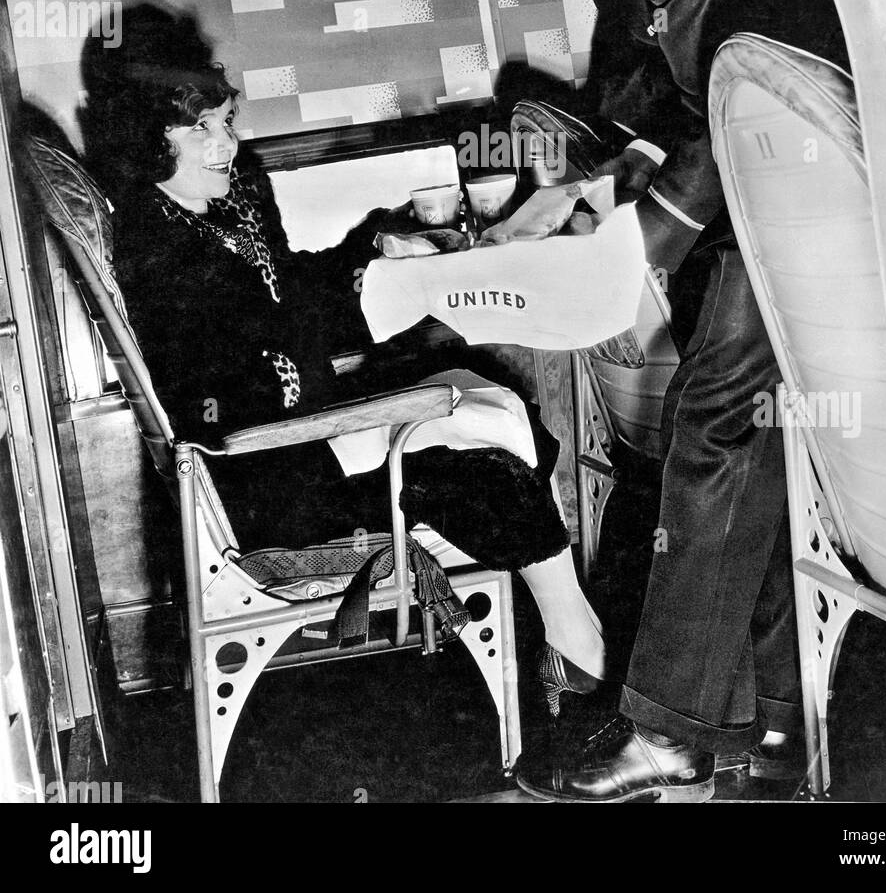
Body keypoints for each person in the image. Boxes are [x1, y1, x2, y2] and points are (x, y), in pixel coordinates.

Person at [388, 0, 849, 802]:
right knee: (740, 441)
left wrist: (623, 250)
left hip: (809, 184)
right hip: (768, 183)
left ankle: (675, 737)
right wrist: (560, 202)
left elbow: (743, 91)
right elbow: (657, 92)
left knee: (718, 429)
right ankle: (760, 723)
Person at [97, 45, 605, 710]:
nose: (225, 142)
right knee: (487, 466)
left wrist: (376, 249)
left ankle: (567, 638)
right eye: (202, 129)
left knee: (496, 398)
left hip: (309, 426)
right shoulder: (157, 252)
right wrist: (375, 300)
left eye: (226, 120)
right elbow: (245, 378)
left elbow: (285, 302)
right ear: (151, 136)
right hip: (271, 477)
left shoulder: (225, 203)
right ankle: (576, 644)